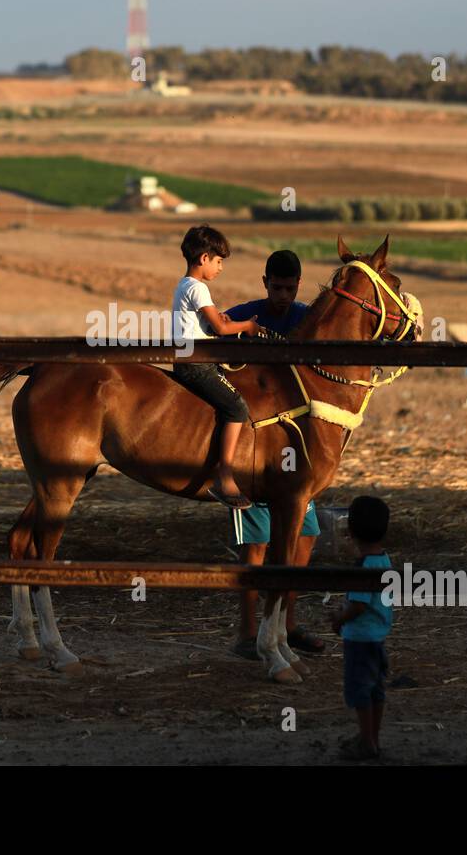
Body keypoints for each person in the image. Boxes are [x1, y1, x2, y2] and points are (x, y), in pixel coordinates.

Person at [224, 250, 325, 659]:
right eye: (276, 287)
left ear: (298, 285)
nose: (282, 294)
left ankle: (287, 622)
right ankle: (248, 632)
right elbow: (217, 344)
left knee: (306, 534)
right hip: (257, 447)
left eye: (289, 287)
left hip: (294, 446)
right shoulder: (246, 315)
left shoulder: (305, 320)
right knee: (257, 544)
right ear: (265, 282)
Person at [171, 225, 257, 510]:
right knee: (237, 408)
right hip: (197, 365)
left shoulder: (184, 286)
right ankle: (225, 474)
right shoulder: (198, 288)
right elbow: (221, 327)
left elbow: (207, 326)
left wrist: (214, 323)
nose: (220, 268)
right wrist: (248, 325)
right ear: (204, 258)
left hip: (188, 359)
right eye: (218, 261)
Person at [330, 495, 393, 762]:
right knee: (376, 690)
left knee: (359, 691)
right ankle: (373, 739)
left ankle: (366, 742)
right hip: (378, 636)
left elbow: (357, 605)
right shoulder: (385, 560)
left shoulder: (363, 568)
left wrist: (339, 619)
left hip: (360, 638)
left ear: (350, 531)